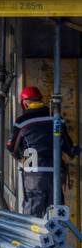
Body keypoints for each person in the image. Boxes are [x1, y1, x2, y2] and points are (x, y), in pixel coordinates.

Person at [7, 86, 78, 217]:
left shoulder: (21, 122)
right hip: (55, 173)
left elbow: (12, 147)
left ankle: (32, 238)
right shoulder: (56, 120)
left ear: (25, 103)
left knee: (32, 218)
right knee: (56, 217)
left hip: (34, 173)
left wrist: (20, 156)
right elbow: (69, 148)